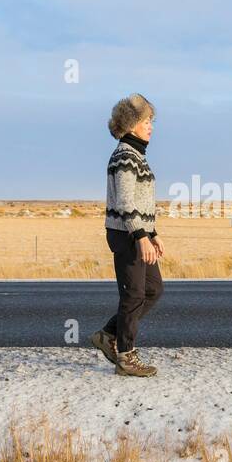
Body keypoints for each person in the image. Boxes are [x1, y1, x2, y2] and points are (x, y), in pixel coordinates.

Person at [90, 94, 165, 376]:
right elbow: (124, 202)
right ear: (132, 124)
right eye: (147, 121)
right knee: (133, 295)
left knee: (152, 289)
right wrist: (140, 236)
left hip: (137, 233)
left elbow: (140, 201)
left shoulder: (136, 156)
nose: (151, 126)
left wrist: (152, 233)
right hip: (127, 235)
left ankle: (108, 335)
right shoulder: (125, 156)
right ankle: (126, 357)